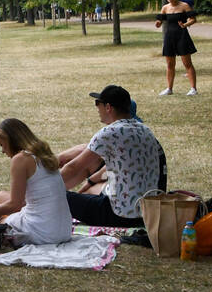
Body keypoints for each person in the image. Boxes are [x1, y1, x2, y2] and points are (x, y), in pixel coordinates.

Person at [60, 85, 167, 227]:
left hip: (120, 214)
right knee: (89, 193)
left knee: (60, 198)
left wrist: (46, 186)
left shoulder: (109, 133)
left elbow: (74, 167)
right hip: (148, 213)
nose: (97, 108)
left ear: (108, 107)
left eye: (98, 104)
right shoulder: (146, 130)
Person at [0, 118, 72, 245]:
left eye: (1, 145)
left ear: (11, 141)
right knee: (0, 196)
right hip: (63, 230)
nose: (3, 151)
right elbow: (20, 201)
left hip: (43, 232)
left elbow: (15, 204)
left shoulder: (21, 159)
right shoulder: (41, 152)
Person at [155, 0, 198, 96]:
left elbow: (193, 19)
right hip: (169, 36)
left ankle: (193, 89)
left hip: (182, 36)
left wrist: (185, 25)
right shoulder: (165, 8)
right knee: (170, 64)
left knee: (187, 63)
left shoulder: (184, 5)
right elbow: (160, 19)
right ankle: (169, 89)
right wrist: (158, 23)